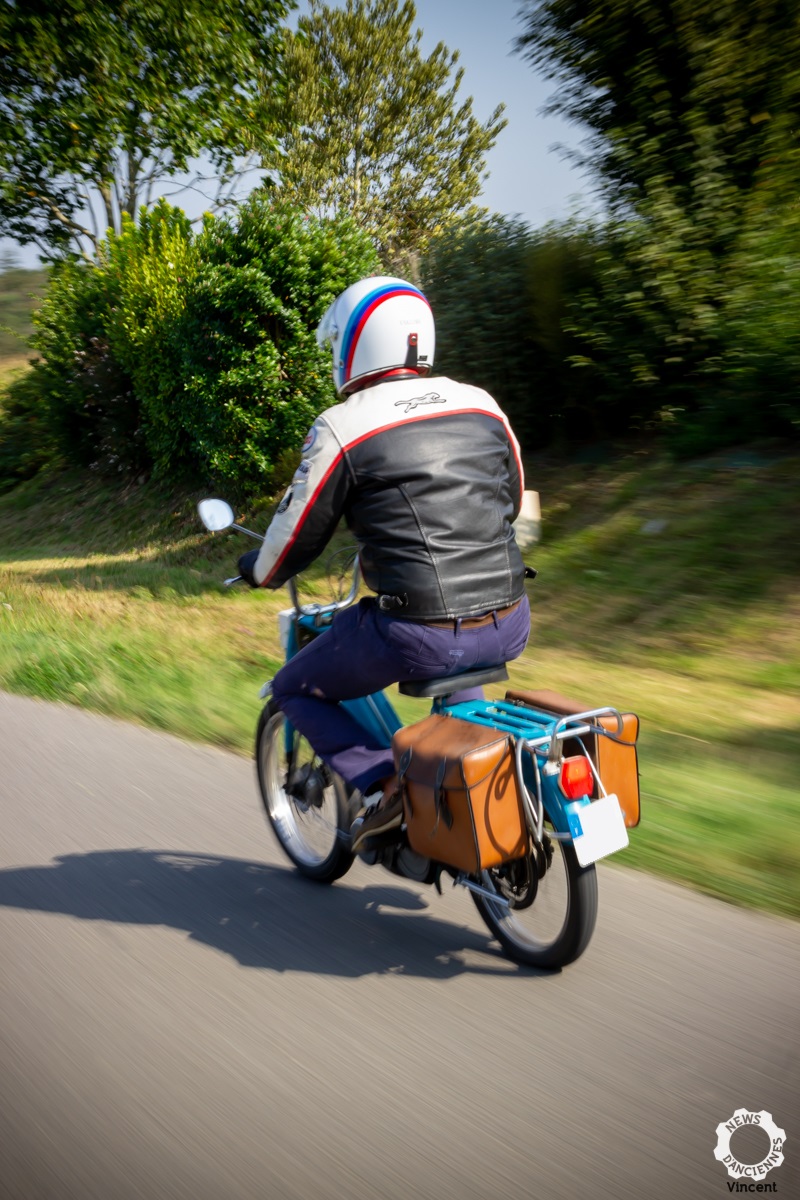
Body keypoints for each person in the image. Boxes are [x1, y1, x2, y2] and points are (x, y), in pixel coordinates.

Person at [237, 275, 532, 852]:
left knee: (294, 686)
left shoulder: (343, 425)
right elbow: (512, 499)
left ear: (356, 342)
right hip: (511, 619)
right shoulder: (482, 404)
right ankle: (458, 802)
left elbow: (297, 531)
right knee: (458, 670)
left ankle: (385, 786)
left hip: (420, 633)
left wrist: (259, 571)